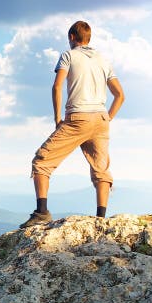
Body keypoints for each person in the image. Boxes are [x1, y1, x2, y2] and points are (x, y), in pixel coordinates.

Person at [19, 20, 125, 228]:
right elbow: (120, 95)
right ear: (89, 38)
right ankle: (100, 219)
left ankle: (42, 213)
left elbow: (57, 86)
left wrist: (58, 118)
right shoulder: (103, 60)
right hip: (101, 118)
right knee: (101, 169)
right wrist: (108, 117)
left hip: (78, 117)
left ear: (71, 38)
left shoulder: (68, 55)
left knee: (42, 161)